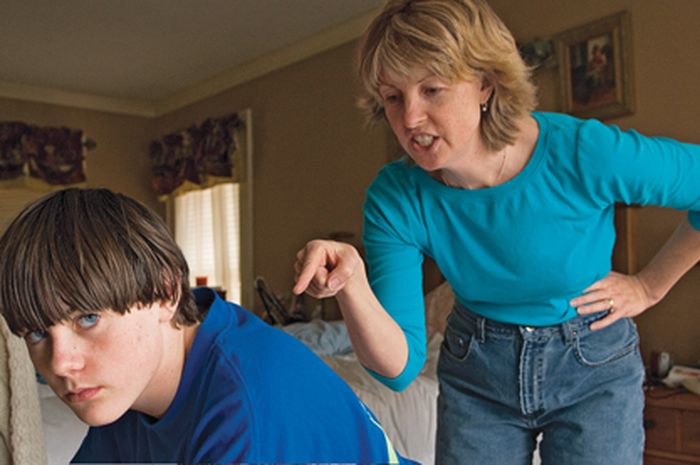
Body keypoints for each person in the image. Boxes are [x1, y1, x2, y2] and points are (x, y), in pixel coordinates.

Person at [293, 1, 700, 464]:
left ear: (486, 84)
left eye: (432, 90)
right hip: (477, 370)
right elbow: (400, 369)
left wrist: (649, 286)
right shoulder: (396, 197)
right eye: (393, 97)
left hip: (593, 365)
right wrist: (353, 285)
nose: (409, 119)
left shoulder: (584, 152)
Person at [0, 188, 417, 465]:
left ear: (165, 293)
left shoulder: (245, 406)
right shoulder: (129, 386)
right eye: (38, 333)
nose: (60, 363)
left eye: (88, 319)